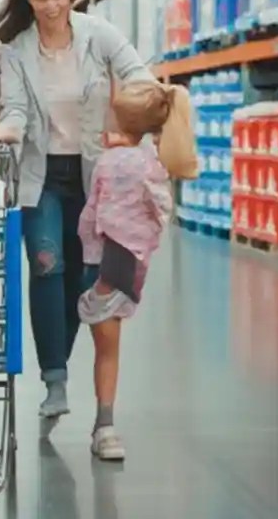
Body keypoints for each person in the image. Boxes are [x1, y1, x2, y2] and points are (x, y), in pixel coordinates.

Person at [0, 0, 154, 459]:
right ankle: (55, 381)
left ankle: (70, 377)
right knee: (46, 266)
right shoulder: (16, 49)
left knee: (86, 282)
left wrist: (140, 114)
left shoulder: (97, 35)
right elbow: (15, 105)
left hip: (96, 174)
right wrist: (8, 130)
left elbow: (136, 73)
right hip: (40, 177)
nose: (49, 6)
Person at [77, 81, 197, 460]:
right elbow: (163, 208)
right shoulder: (152, 164)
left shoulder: (107, 163)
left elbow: (90, 214)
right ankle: (105, 424)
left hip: (100, 262)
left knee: (104, 349)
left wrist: (86, 243)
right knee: (111, 348)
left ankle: (104, 424)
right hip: (129, 263)